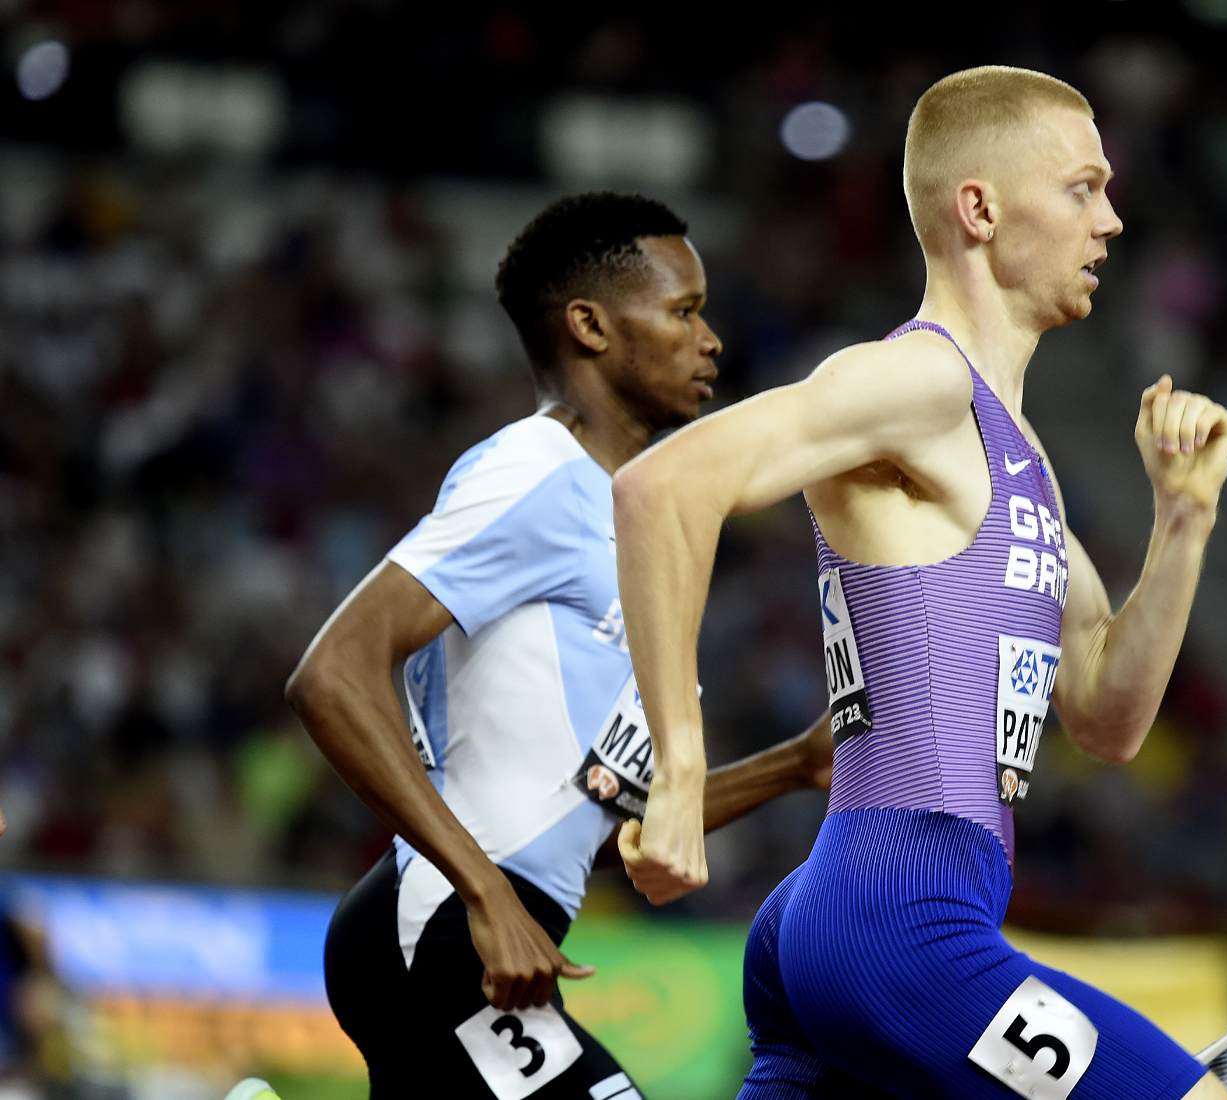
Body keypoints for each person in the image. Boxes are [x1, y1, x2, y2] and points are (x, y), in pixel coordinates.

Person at [611, 66, 1227, 1100]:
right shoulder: (920, 381)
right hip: (902, 915)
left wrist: (1184, 520)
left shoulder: (1011, 447)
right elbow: (659, 487)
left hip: (863, 907)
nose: (1110, 220)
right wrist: (678, 772)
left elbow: (1106, 715)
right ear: (977, 208)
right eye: (1082, 188)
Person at [286, 192, 833, 1100]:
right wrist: (486, 894)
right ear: (590, 325)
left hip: (473, 926)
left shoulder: (636, 523)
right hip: (445, 930)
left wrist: (795, 765)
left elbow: (614, 827)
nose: (712, 341)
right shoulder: (535, 472)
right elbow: (331, 674)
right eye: (683, 311)